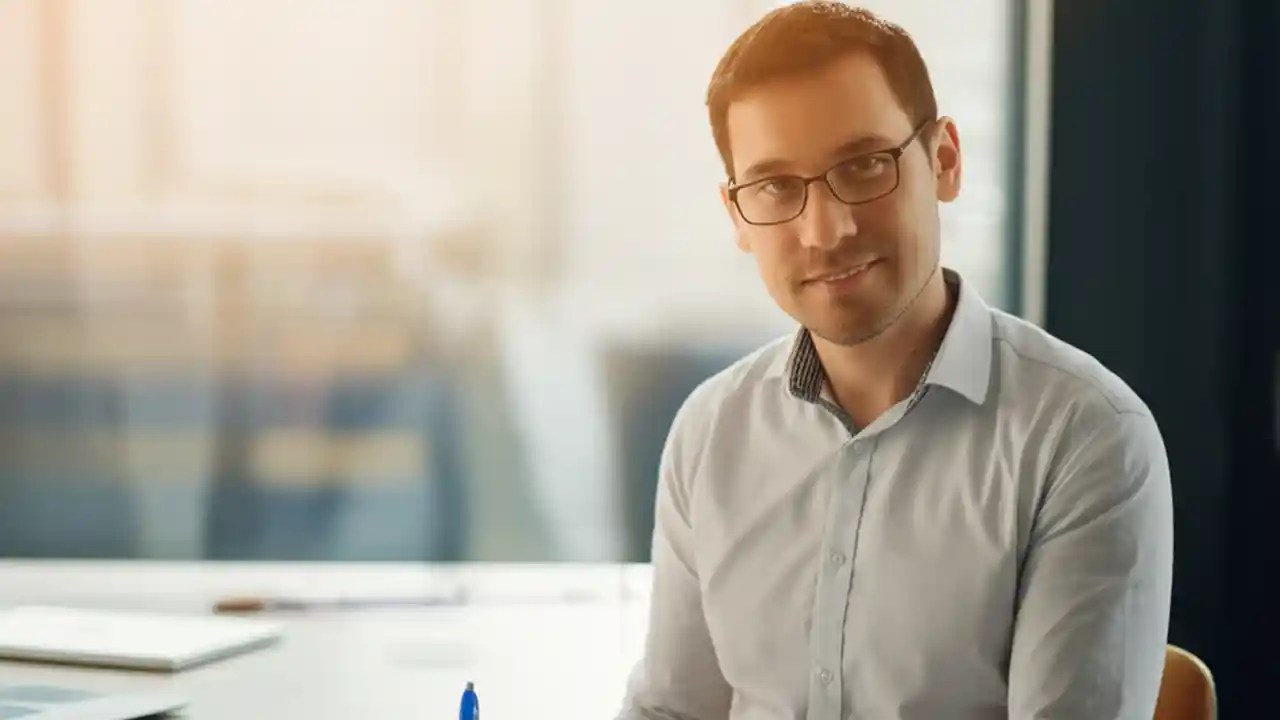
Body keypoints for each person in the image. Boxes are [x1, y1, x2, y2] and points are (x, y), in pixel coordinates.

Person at [617, 3, 1174, 719]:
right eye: (777, 187)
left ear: (945, 161)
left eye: (863, 166)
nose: (827, 231)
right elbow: (672, 710)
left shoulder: (1084, 439)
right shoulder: (710, 432)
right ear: (735, 214)